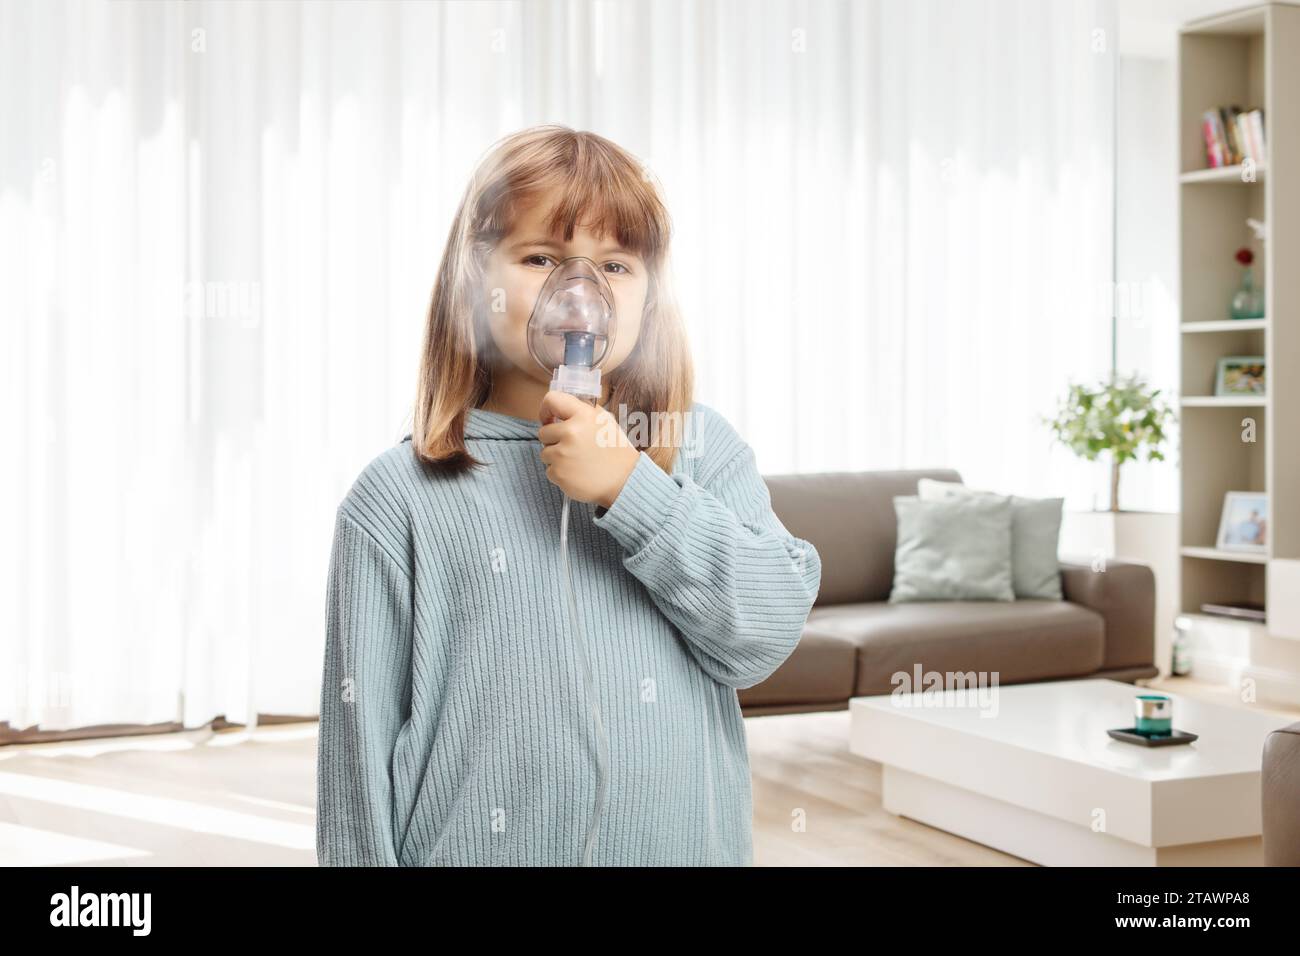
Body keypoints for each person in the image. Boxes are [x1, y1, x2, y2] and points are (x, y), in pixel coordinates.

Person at [315, 125, 822, 866]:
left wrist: (633, 489)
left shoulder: (694, 448)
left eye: (615, 265)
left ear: (651, 297)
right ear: (472, 279)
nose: (578, 293)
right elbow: (356, 765)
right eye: (541, 258)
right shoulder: (399, 499)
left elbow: (766, 632)